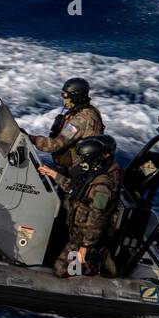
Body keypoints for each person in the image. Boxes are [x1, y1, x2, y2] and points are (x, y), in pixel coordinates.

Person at [53, 134, 122, 278]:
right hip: (77, 225)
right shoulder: (93, 172)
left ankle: (91, 267)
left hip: (84, 233)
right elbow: (75, 187)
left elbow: (98, 219)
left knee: (61, 269)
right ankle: (92, 260)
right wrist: (54, 175)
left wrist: (85, 246)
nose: (80, 161)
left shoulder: (102, 186)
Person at [31, 77, 104, 190]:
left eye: (65, 95)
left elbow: (54, 145)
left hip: (75, 174)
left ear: (75, 96)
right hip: (82, 167)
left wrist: (30, 139)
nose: (63, 99)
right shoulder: (92, 111)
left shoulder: (80, 120)